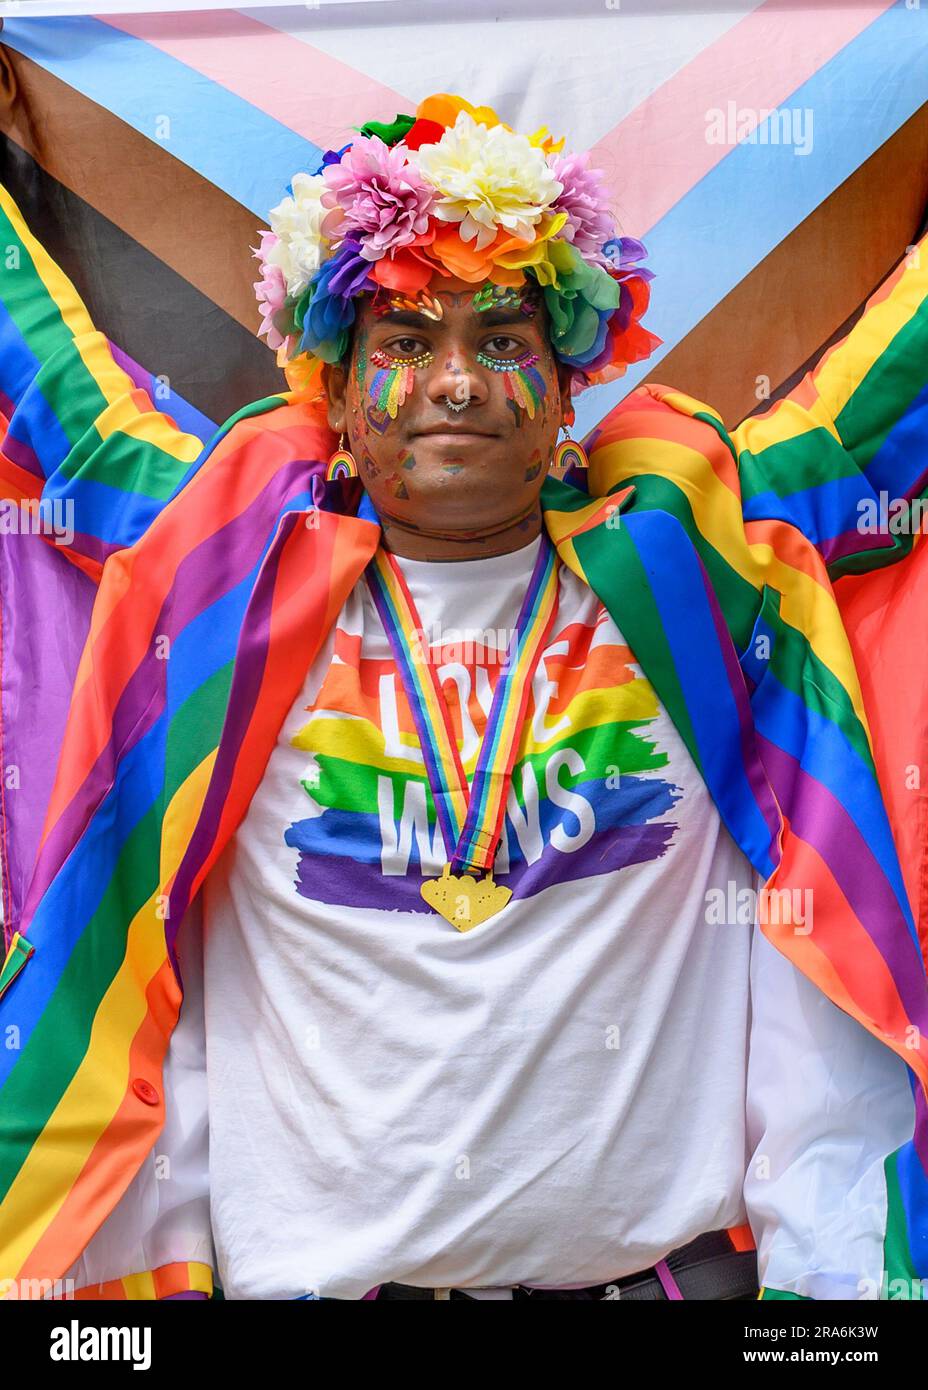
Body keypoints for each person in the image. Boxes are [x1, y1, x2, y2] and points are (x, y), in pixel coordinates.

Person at [0, 91, 926, 1302]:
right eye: (402, 346)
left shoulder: (697, 562)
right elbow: (68, 412)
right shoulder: (225, 577)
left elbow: (880, 413)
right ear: (334, 396)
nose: (455, 384)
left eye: (502, 342)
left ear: (564, 393)